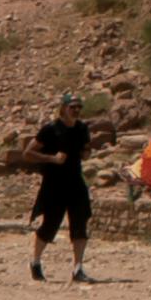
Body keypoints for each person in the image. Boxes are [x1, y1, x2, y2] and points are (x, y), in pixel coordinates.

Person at [25, 96, 96, 285]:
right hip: (54, 184)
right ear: (63, 108)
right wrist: (52, 159)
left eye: (79, 107)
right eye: (73, 107)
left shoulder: (82, 129)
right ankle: (36, 262)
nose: (76, 110)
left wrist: (86, 153)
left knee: (80, 224)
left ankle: (78, 268)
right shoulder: (51, 129)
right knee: (50, 225)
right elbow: (28, 153)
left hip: (76, 181)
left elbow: (85, 150)